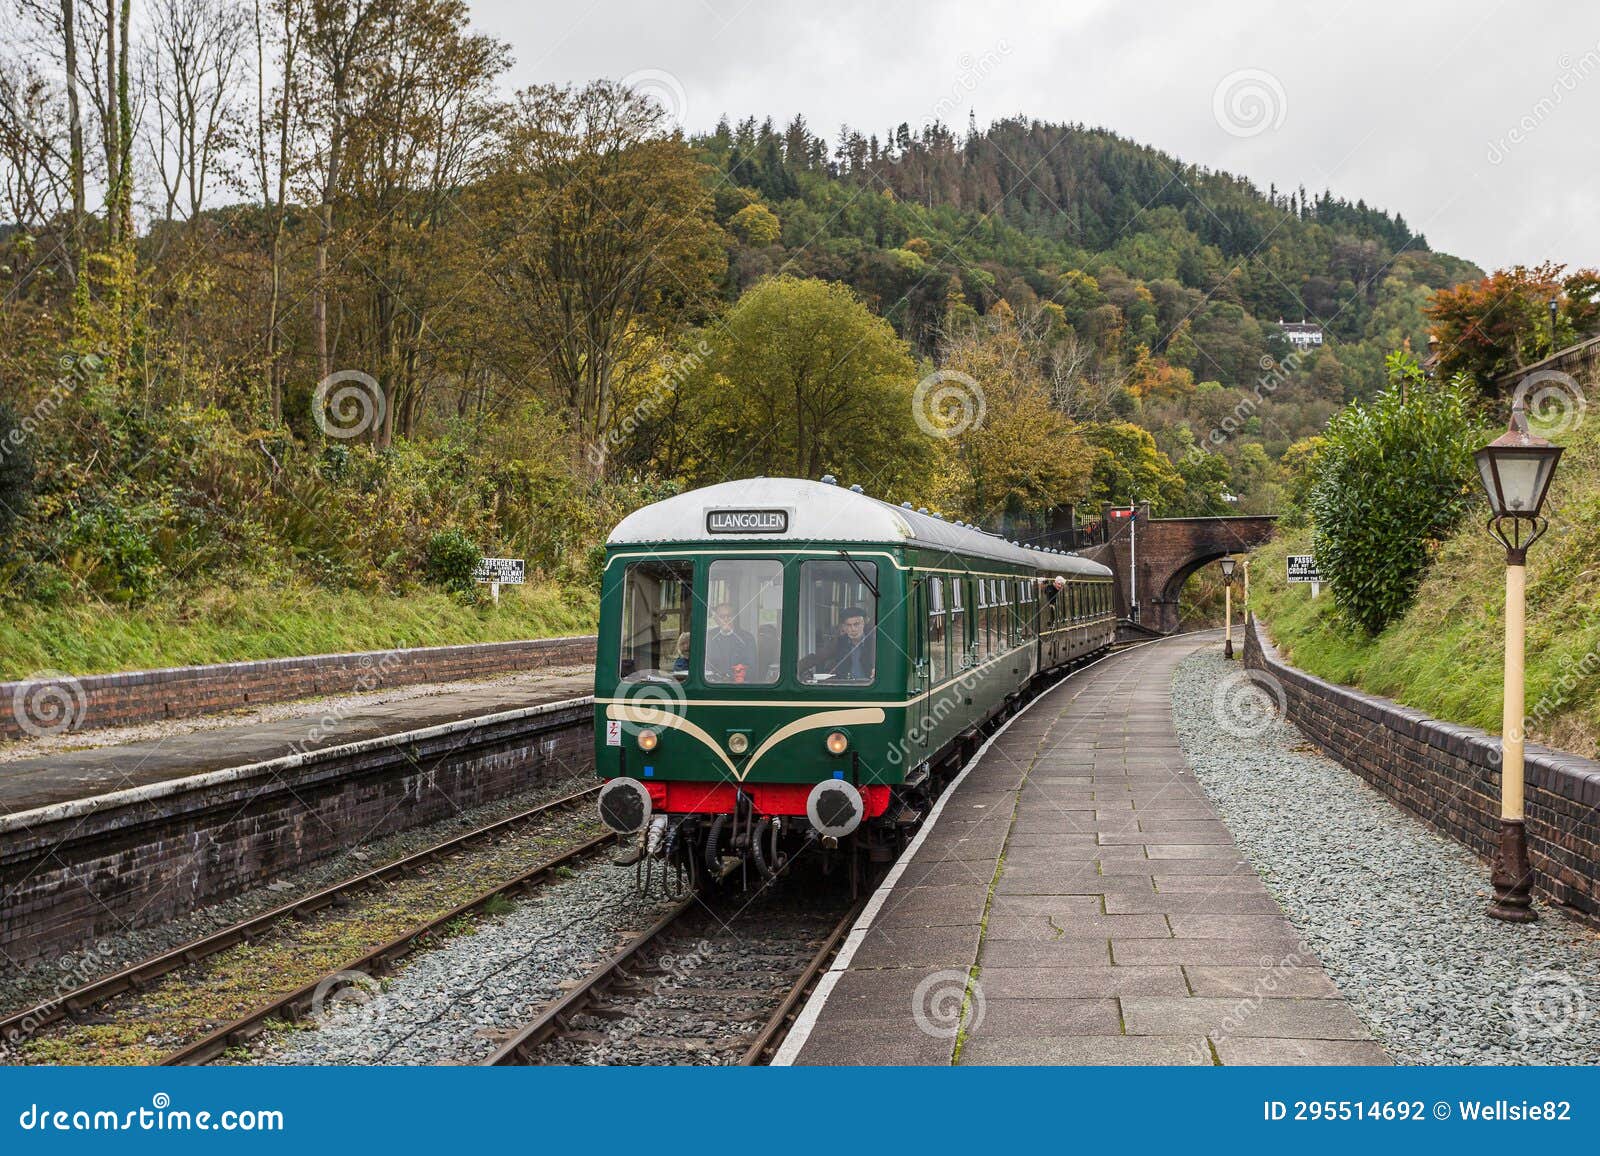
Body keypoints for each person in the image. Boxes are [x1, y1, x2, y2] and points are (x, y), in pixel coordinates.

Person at [801, 607, 875, 683]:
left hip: (870, 688)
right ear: (843, 626)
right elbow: (817, 657)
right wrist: (794, 670)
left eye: (856, 624)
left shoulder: (874, 641)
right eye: (848, 625)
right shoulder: (839, 642)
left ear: (864, 623)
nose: (853, 629)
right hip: (845, 687)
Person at [704, 602, 756, 682]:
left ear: (734, 617)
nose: (726, 619)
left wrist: (737, 674)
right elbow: (705, 665)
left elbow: (752, 667)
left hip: (738, 687)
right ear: (716, 619)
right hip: (712, 685)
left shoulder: (747, 638)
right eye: (721, 617)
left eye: (729, 616)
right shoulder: (708, 637)